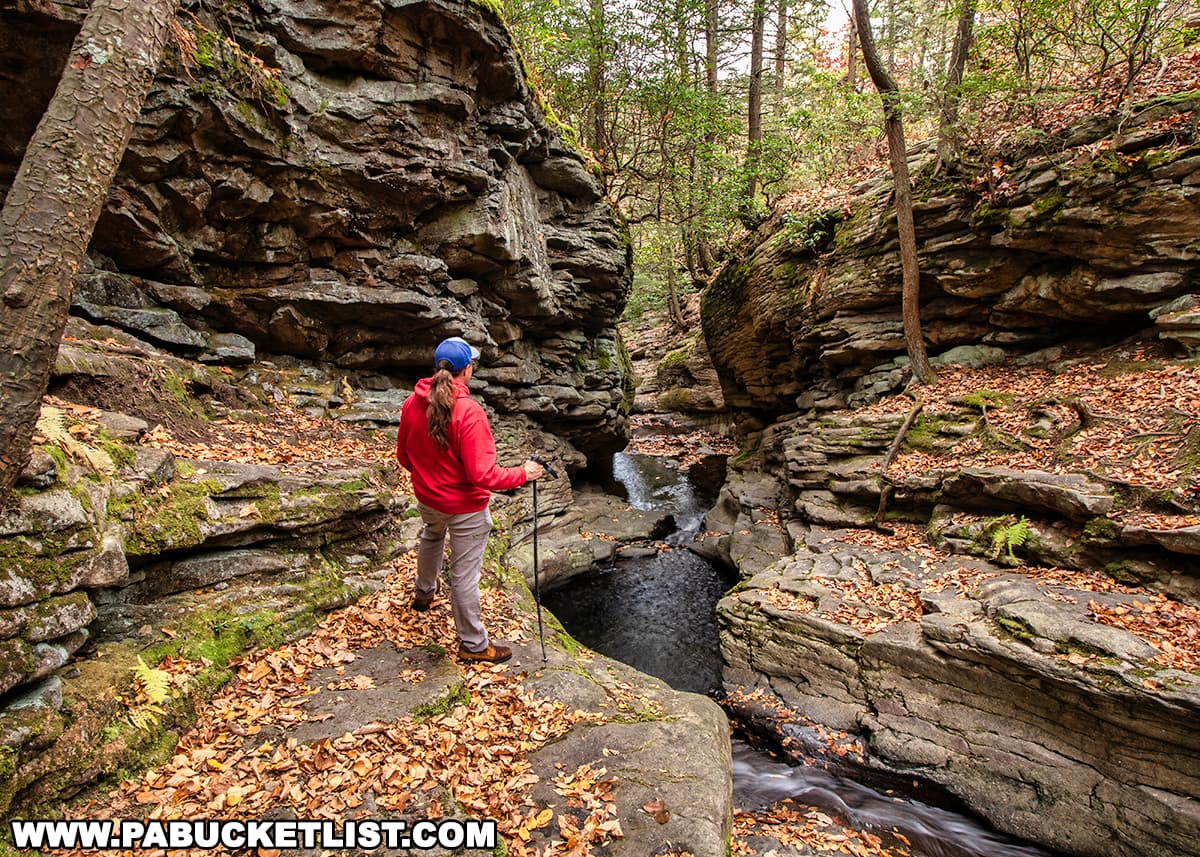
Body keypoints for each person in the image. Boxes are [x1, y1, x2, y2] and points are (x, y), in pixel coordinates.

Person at [395, 336, 544, 663]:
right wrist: (524, 473)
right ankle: (474, 645)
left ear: (437, 368)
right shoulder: (468, 412)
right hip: (465, 508)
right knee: (464, 575)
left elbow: (404, 456)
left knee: (431, 536)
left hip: (428, 499)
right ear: (467, 370)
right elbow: (483, 475)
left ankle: (423, 595)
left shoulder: (411, 403)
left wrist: (427, 475)